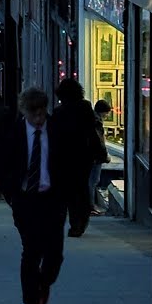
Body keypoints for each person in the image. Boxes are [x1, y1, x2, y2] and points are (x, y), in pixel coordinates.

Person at [0, 87, 72, 304]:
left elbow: (70, 162)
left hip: (52, 199)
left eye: (42, 113)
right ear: (24, 112)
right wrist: (12, 196)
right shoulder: (13, 133)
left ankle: (42, 283)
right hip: (26, 200)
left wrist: (67, 195)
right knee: (31, 250)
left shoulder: (57, 130)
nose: (39, 119)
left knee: (54, 254)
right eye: (33, 114)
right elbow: (0, 166)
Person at [52, 79, 98, 237]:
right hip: (83, 155)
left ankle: (75, 223)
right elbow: (92, 131)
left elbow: (54, 137)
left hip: (65, 157)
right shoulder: (85, 107)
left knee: (68, 191)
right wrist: (98, 152)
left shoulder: (58, 112)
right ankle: (81, 220)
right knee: (81, 188)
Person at [89, 100, 113, 216]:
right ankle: (90, 207)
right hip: (95, 157)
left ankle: (90, 206)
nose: (107, 115)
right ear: (103, 112)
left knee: (91, 181)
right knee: (93, 181)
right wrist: (105, 156)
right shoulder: (96, 122)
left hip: (90, 156)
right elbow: (99, 142)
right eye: (107, 113)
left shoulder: (90, 120)